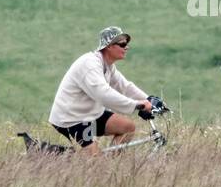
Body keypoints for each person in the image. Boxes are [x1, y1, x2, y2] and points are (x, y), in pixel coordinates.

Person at [46, 26, 153, 154]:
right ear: (109, 46)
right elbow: (104, 95)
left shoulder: (107, 64)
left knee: (128, 127)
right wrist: (136, 105)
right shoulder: (90, 65)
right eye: (122, 44)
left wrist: (149, 99)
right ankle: (46, 153)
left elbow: (124, 86)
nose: (126, 47)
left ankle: (112, 165)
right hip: (73, 120)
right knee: (95, 162)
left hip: (91, 115)